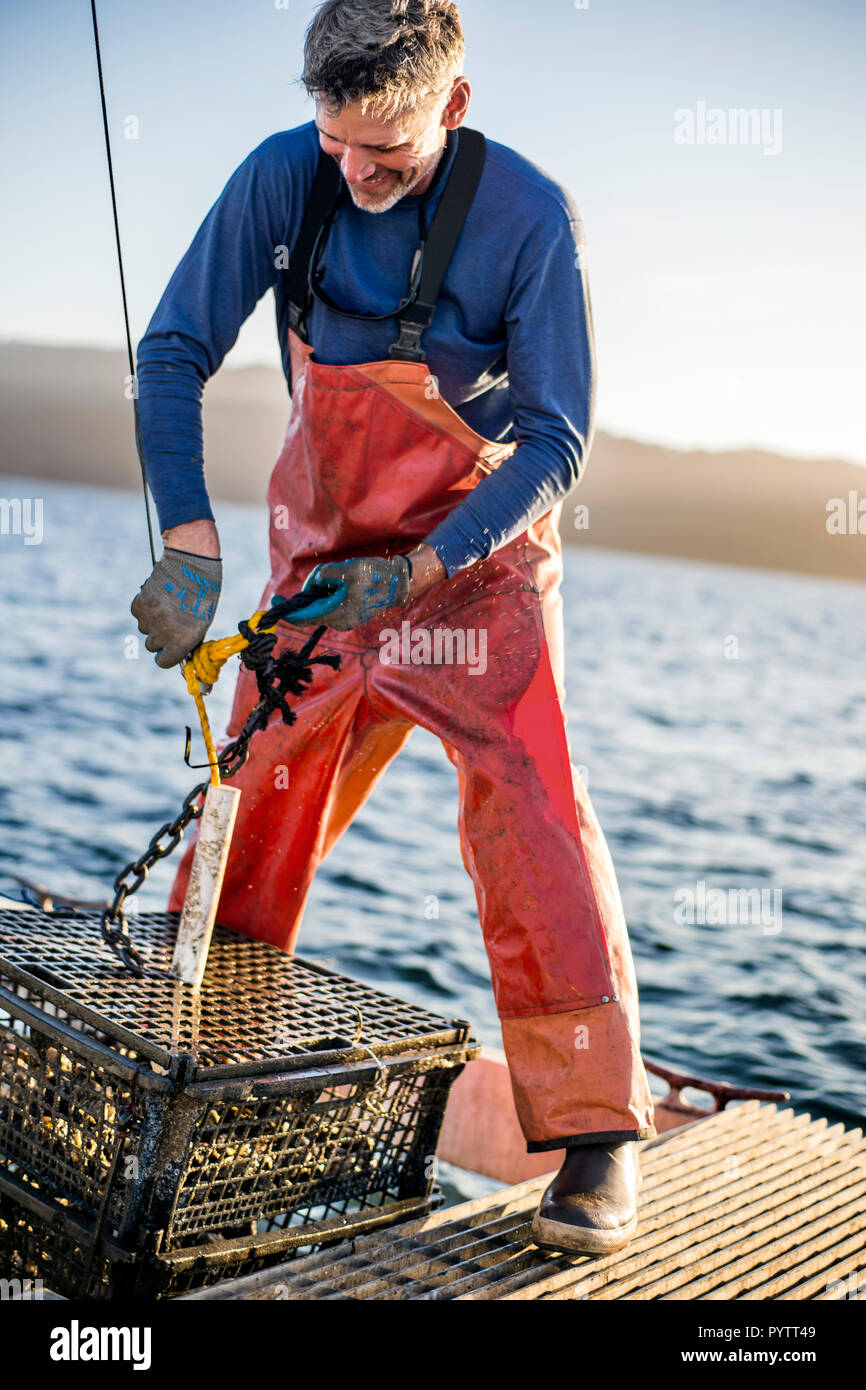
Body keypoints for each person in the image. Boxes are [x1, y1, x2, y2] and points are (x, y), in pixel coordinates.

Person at [131, 0, 656, 1255]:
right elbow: (171, 352)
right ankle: (203, 1082)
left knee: (527, 805)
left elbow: (555, 438)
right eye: (338, 147)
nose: (357, 176)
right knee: (249, 794)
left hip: (473, 576)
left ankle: (592, 1138)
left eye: (390, 156)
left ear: (453, 107)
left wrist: (424, 565)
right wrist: (191, 545)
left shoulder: (532, 217)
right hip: (320, 563)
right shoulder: (285, 175)